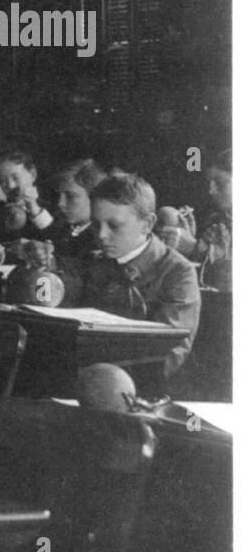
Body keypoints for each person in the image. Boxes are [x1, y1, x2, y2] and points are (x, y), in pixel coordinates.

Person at [61, 174, 201, 408]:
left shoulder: (177, 272)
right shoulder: (92, 260)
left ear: (147, 224)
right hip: (82, 385)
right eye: (96, 224)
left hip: (136, 397)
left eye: (114, 226)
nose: (102, 235)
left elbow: (168, 354)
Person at [0, 150, 54, 245]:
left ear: (32, 175)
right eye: (3, 181)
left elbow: (54, 239)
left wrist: (33, 207)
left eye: (15, 178)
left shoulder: (53, 210)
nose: (10, 186)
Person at [42, 159, 106, 263]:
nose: (60, 203)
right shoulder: (62, 228)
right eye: (59, 195)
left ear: (94, 197)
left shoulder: (101, 239)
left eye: (70, 196)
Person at [193, 150, 231, 290]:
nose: (211, 191)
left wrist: (196, 248)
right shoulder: (215, 219)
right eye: (210, 183)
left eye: (219, 184)